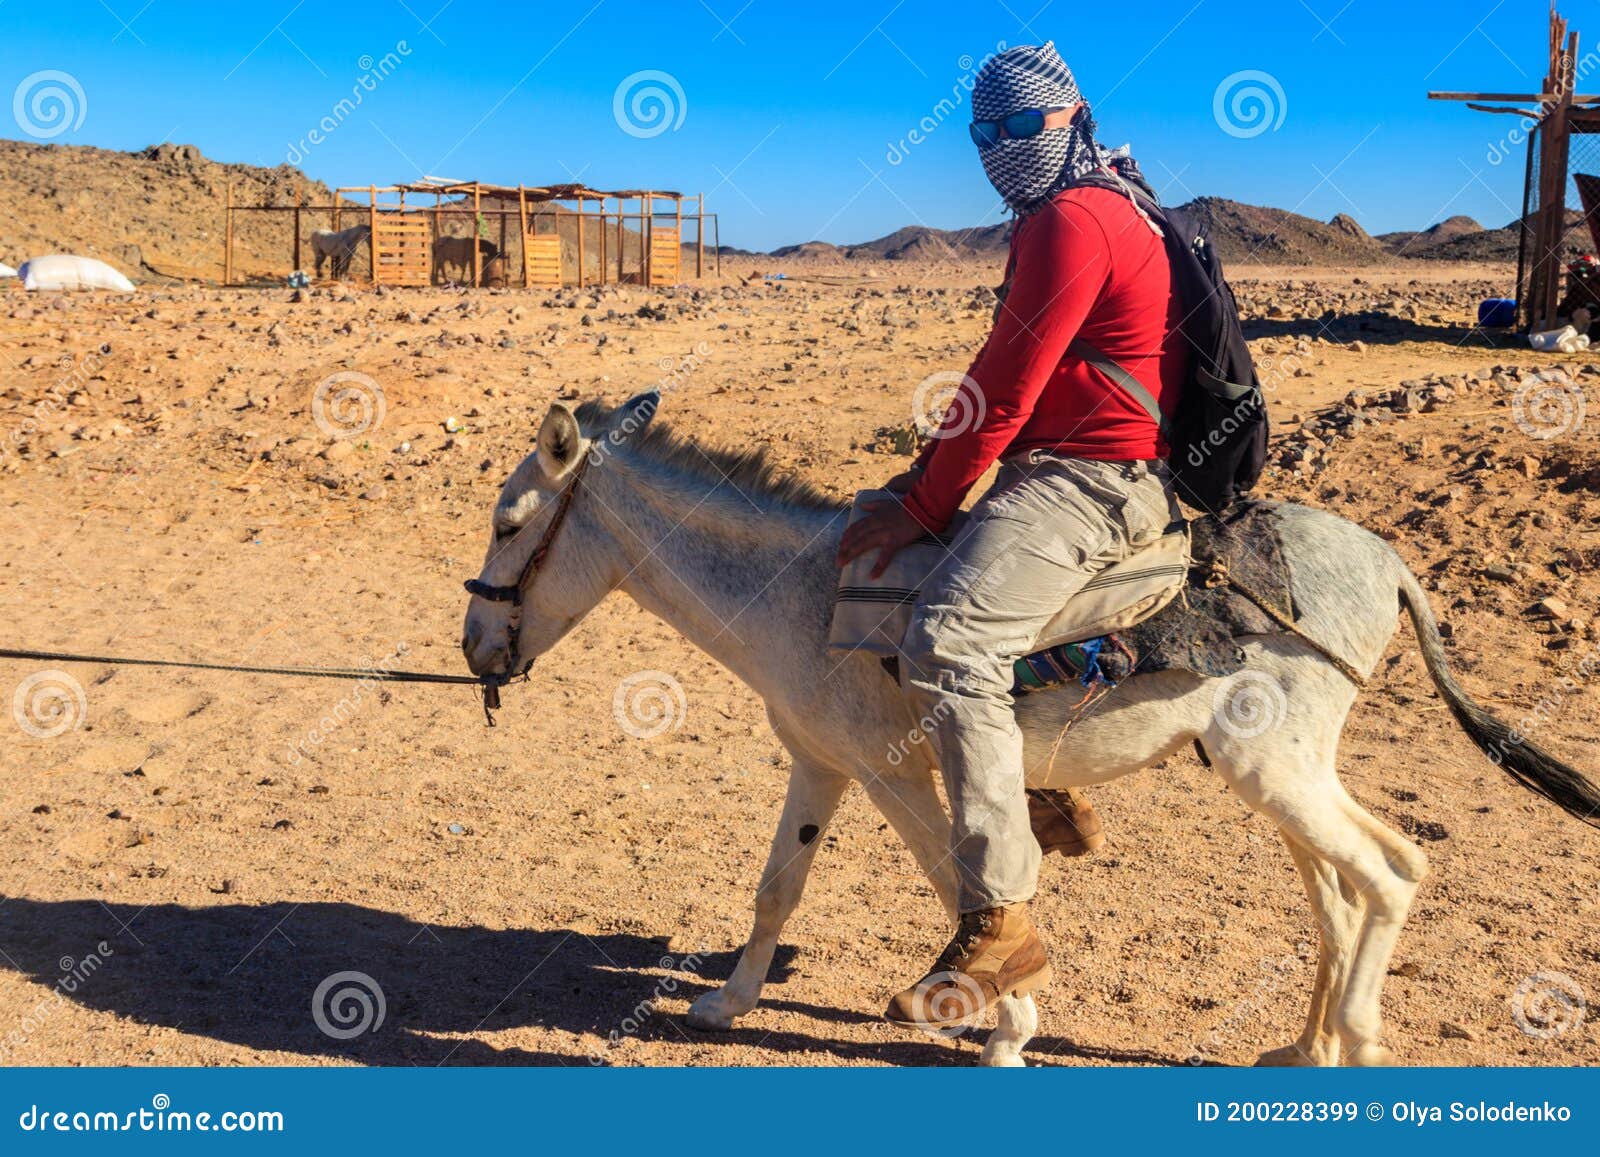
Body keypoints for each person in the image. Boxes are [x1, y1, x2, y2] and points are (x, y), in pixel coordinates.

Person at [835, 42, 1188, 1030]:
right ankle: (1038, 787)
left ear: (1070, 113)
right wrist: (930, 482)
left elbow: (1004, 385)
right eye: (981, 132)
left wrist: (919, 502)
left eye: (1019, 125)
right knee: (937, 598)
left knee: (947, 637)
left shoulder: (1072, 219)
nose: (1001, 147)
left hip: (1088, 479)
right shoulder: (1098, 200)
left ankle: (999, 918)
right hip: (1073, 464)